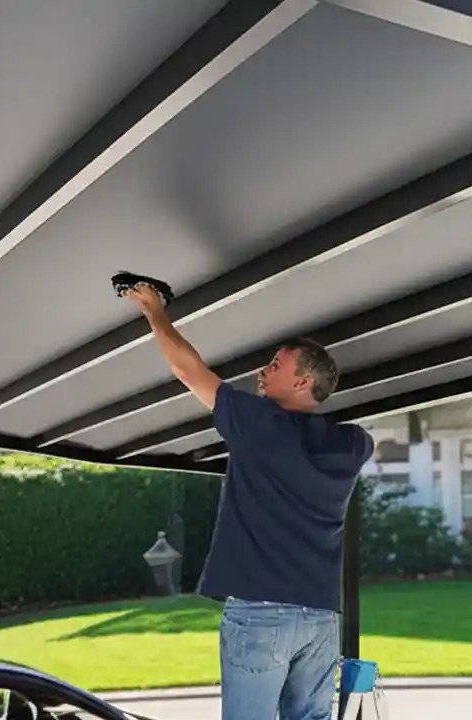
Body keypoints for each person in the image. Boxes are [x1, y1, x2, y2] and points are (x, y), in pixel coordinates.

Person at [125, 284, 373, 720]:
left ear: (301, 381)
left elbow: (188, 370)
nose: (263, 371)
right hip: (319, 619)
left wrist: (153, 311)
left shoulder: (260, 425)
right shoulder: (351, 444)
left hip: (261, 616)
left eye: (275, 365)